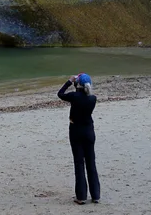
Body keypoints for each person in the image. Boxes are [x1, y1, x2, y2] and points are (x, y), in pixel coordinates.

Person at [58, 73, 100, 205]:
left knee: (79, 163)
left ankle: (81, 196)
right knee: (91, 163)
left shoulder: (74, 97)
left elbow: (60, 94)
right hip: (89, 131)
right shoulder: (92, 98)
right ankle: (95, 195)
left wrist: (69, 81)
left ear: (78, 85)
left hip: (76, 130)